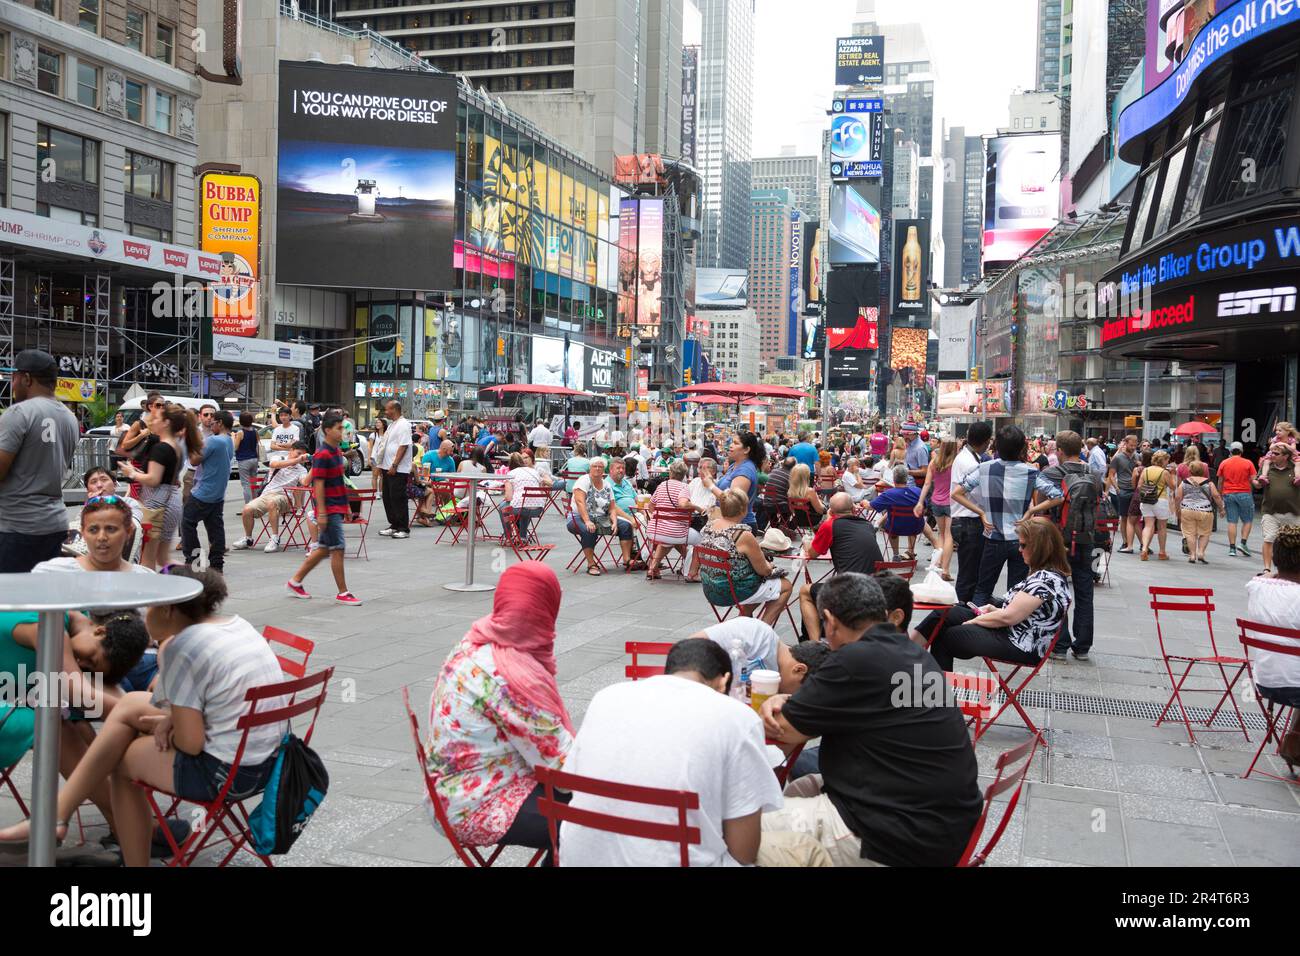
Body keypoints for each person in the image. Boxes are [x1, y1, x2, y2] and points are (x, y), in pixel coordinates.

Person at [0, 568, 286, 865]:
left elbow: (191, 744)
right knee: (132, 706)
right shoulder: (238, 626)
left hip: (228, 773)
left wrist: (170, 730)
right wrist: (169, 720)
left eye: (148, 608)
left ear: (167, 609)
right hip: (265, 764)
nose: (144, 617)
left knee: (123, 762)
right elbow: (222, 697)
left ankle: (90, 836)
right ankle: (59, 816)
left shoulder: (183, 649)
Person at [759, 574, 981, 867]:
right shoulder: (913, 654)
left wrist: (774, 703)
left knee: (739, 828)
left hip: (892, 839)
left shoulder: (855, 660)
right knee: (798, 787)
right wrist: (790, 703)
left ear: (830, 620)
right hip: (942, 824)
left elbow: (785, 730)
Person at [561, 638, 783, 866]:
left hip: (579, 859)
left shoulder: (605, 697)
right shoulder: (737, 717)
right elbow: (743, 852)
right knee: (804, 848)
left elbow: (567, 783)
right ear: (724, 681)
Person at [425, 563, 573, 862]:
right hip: (476, 804)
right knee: (598, 821)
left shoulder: (475, 640)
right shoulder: (513, 675)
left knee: (588, 813)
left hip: (446, 790)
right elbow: (563, 771)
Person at [916, 518, 1073, 672]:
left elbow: (1008, 618)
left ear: (1040, 548)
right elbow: (1023, 616)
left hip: (1021, 645)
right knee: (946, 613)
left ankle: (936, 690)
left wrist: (976, 621)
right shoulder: (1047, 576)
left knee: (947, 636)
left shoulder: (1045, 580)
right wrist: (993, 611)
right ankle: (908, 653)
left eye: (1023, 545)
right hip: (1013, 632)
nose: (1019, 549)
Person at [0, 350, 80, 572]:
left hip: (17, 528)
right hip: (55, 524)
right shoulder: (70, 418)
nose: (12, 384)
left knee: (11, 601)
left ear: (27, 378)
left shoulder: (18, 413)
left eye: (14, 377)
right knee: (45, 599)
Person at [1028, 431, 1104, 660]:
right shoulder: (1094, 472)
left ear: (1059, 451)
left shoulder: (1050, 473)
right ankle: (1082, 647)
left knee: (1056, 589)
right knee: (1084, 590)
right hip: (1085, 538)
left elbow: (1040, 505)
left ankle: (1059, 646)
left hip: (1057, 538)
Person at [952, 425, 1039, 605]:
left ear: (996, 446)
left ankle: (973, 626)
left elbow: (956, 493)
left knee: (982, 589)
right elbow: (1057, 496)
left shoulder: (985, 468)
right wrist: (1031, 511)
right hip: (1019, 538)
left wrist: (982, 512)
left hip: (993, 538)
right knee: (1015, 592)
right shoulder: (1031, 471)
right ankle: (1010, 629)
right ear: (1022, 446)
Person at [286, 414, 361, 605]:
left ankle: (295, 581)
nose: (342, 432)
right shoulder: (322, 454)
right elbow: (317, 484)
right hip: (327, 508)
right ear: (328, 430)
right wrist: (321, 513)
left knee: (323, 549)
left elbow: (339, 482)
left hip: (336, 506)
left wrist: (347, 507)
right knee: (337, 548)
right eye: (339, 428)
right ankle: (343, 592)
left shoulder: (336, 452)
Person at [1243, 524, 1300, 773]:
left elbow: (1267, 580)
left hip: (1265, 681)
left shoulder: (1256, 587)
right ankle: (1294, 744)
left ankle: (1295, 742)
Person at [699, 489, 792, 626]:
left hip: (711, 589)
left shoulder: (708, 527)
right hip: (733, 592)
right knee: (786, 585)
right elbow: (764, 571)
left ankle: (744, 617)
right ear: (744, 510)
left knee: (757, 581)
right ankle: (762, 629)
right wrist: (770, 565)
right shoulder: (742, 534)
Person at [798, 493, 884, 642]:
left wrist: (807, 543)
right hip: (877, 588)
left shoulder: (830, 525)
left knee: (805, 591)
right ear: (854, 509)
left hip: (851, 591)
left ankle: (815, 644)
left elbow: (812, 553)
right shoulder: (867, 525)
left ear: (831, 511)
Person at [120, 405, 197, 571]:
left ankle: (158, 591)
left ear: (166, 423)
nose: (152, 422)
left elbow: (153, 480)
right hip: (169, 501)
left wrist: (131, 472)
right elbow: (164, 476)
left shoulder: (161, 448)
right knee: (162, 558)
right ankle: (191, 581)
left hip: (157, 504)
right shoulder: (175, 446)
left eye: (156, 419)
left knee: (148, 561)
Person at [692, 617, 830, 696]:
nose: (795, 698)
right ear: (799, 669)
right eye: (801, 692)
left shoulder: (775, 682)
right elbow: (690, 647)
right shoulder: (757, 635)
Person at [567, 458, 644, 575]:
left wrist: (614, 522)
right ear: (590, 468)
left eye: (600, 466)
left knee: (625, 525)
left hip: (602, 518)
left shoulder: (606, 484)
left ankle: (627, 559)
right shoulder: (583, 481)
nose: (597, 469)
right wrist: (587, 521)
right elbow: (580, 502)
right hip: (578, 517)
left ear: (604, 469)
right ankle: (591, 564)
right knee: (589, 530)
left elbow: (612, 507)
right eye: (595, 466)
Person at [231, 442, 310, 553]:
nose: (300, 457)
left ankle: (274, 538)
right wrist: (297, 460)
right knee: (247, 509)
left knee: (272, 503)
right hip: (267, 494)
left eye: (302, 456)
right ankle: (248, 538)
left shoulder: (301, 470)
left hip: (285, 497)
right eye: (298, 453)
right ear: (291, 450)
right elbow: (275, 465)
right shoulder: (279, 457)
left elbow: (305, 482)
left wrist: (315, 468)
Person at [182, 410, 234, 574]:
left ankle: (193, 561)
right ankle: (217, 565)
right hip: (218, 493)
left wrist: (191, 442)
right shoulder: (229, 440)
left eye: (213, 422)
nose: (211, 425)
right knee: (215, 529)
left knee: (187, 523)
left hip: (203, 492)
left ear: (220, 423)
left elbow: (194, 460)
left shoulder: (214, 440)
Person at [950, 423, 993, 603]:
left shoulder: (969, 458)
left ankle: (963, 609)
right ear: (986, 442)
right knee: (969, 574)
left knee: (970, 572)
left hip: (965, 520)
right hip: (969, 521)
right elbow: (979, 495)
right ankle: (961, 611)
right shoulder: (969, 463)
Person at [916, 438, 959, 581]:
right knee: (949, 535)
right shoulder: (956, 464)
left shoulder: (934, 463)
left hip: (936, 502)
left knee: (941, 534)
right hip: (952, 502)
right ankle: (945, 570)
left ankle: (938, 563)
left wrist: (920, 502)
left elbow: (927, 484)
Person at [1255, 442, 1300, 577]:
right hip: (1271, 511)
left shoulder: (1296, 468)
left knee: (1295, 541)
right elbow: (1257, 484)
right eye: (1272, 453)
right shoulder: (1267, 467)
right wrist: (1258, 483)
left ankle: (1294, 569)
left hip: (1294, 512)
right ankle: (1267, 569)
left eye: (1276, 453)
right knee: (1269, 538)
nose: (1272, 455)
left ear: (1286, 456)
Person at [645, 460, 696, 579]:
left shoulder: (662, 485)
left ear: (670, 473)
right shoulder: (685, 487)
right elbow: (688, 509)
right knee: (700, 539)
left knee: (669, 538)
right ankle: (692, 568)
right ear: (684, 475)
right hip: (675, 532)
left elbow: (651, 506)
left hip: (655, 530)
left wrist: (661, 518)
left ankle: (653, 568)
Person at [705, 432, 764, 529]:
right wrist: (712, 482)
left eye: (736, 443)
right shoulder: (734, 465)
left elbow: (732, 501)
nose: (731, 446)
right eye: (732, 442)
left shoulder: (745, 470)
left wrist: (711, 486)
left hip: (739, 526)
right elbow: (726, 489)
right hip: (727, 522)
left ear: (746, 450)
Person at [1174, 461, 1224, 565]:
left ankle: (1192, 555)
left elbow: (1178, 496)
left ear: (1190, 471)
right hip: (1205, 510)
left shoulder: (1184, 482)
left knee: (1190, 533)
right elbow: (1216, 496)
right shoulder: (1209, 482)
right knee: (1205, 533)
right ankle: (1201, 553)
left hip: (1187, 510)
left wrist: (1177, 508)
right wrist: (1221, 508)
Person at [870, 465, 924, 559]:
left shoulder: (889, 494)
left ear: (893, 478)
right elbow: (924, 509)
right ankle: (911, 550)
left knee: (892, 521)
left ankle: (895, 554)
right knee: (913, 518)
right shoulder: (918, 491)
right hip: (915, 527)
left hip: (894, 528)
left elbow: (871, 506)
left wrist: (864, 502)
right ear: (907, 478)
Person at [378, 401, 414, 539]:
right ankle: (394, 524)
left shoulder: (403, 424)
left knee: (398, 498)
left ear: (394, 409)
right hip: (387, 467)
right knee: (388, 497)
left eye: (387, 409)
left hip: (397, 469)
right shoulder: (393, 424)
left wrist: (394, 465)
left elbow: (403, 446)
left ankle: (403, 528)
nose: (385, 412)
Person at [498, 452, 551, 542]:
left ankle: (508, 537)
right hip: (538, 508)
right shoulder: (534, 472)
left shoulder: (511, 474)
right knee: (526, 506)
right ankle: (522, 536)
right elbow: (541, 488)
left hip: (520, 507)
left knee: (503, 507)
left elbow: (508, 497)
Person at [1217, 441, 1257, 558]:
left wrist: (1220, 494)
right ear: (1241, 451)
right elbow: (1253, 479)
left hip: (1228, 494)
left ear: (1230, 451)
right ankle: (1243, 543)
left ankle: (1232, 548)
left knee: (1232, 521)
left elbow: (1220, 481)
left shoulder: (1224, 463)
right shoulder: (1248, 463)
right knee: (1247, 520)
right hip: (1244, 493)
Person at [1136, 449, 1177, 561]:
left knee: (1148, 525)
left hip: (1146, 500)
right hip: (1160, 500)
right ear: (1163, 460)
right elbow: (1173, 486)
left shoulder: (1146, 470)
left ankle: (1144, 549)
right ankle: (1162, 552)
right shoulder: (1165, 472)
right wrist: (1173, 474)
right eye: (1167, 460)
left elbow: (1139, 486)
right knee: (1162, 527)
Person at [1108, 434, 1140, 553]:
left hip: (1136, 491)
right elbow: (1111, 475)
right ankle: (1125, 541)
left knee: (1135, 518)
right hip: (1123, 490)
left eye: (1135, 445)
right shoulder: (1118, 458)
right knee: (1124, 517)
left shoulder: (1138, 456)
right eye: (1131, 445)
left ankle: (1141, 543)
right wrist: (1117, 489)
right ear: (1125, 444)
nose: (1133, 447)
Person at [232, 412, 261, 504]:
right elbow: (257, 444)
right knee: (253, 482)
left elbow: (235, 447)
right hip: (254, 459)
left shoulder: (240, 432)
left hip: (244, 460)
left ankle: (248, 506)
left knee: (246, 484)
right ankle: (256, 504)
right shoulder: (255, 431)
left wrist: (233, 437)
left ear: (241, 421)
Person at [786, 463, 826, 529]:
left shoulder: (790, 491)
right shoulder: (810, 491)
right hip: (813, 521)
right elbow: (820, 511)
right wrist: (823, 504)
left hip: (798, 520)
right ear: (806, 476)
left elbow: (792, 510)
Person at [902, 422, 930, 487]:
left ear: (914, 434)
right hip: (907, 482)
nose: (905, 437)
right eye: (904, 434)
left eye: (908, 434)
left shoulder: (920, 448)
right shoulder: (909, 444)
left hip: (914, 486)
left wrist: (906, 472)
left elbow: (924, 471)